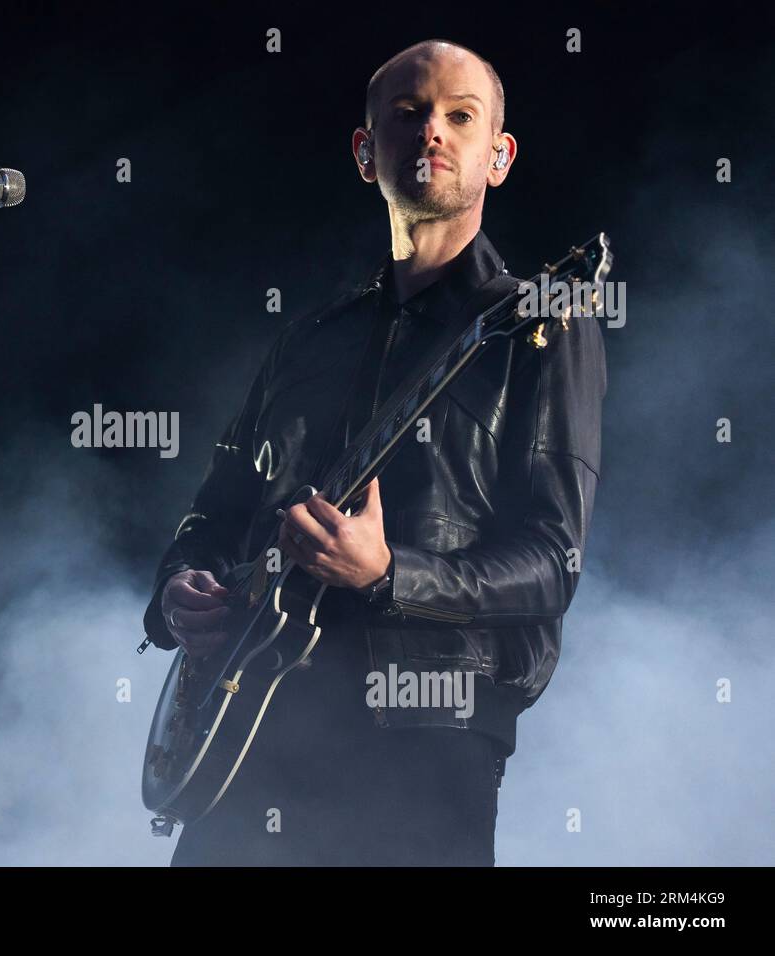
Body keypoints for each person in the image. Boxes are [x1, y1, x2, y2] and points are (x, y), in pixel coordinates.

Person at [141, 38, 607, 865]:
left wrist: (389, 575)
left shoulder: (540, 325)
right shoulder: (307, 342)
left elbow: (552, 560)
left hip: (421, 741)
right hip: (249, 733)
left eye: (460, 117)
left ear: (497, 157)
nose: (432, 130)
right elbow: (216, 507)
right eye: (407, 113)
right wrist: (179, 587)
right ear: (366, 153)